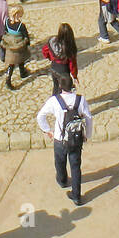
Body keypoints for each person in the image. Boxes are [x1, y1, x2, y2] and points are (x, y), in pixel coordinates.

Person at [36, 71, 93, 207]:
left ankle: (62, 181)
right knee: (75, 166)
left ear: (60, 87)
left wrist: (47, 130)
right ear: (72, 86)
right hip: (76, 137)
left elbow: (40, 116)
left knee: (60, 162)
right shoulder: (80, 100)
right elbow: (89, 118)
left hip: (60, 139)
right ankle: (76, 196)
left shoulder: (54, 101)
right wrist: (87, 135)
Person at [1, 4, 32, 89]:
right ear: (17, 14)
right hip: (19, 45)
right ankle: (21, 73)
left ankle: (10, 76)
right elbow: (25, 35)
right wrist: (27, 42)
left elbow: (5, 31)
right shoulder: (21, 25)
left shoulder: (7, 22)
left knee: (11, 63)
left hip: (10, 45)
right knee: (20, 59)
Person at [41, 22, 78, 92]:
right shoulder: (70, 47)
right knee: (64, 90)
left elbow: (45, 50)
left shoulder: (53, 41)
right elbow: (72, 64)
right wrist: (75, 76)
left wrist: (50, 57)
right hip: (64, 71)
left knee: (56, 86)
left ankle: (53, 100)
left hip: (54, 67)